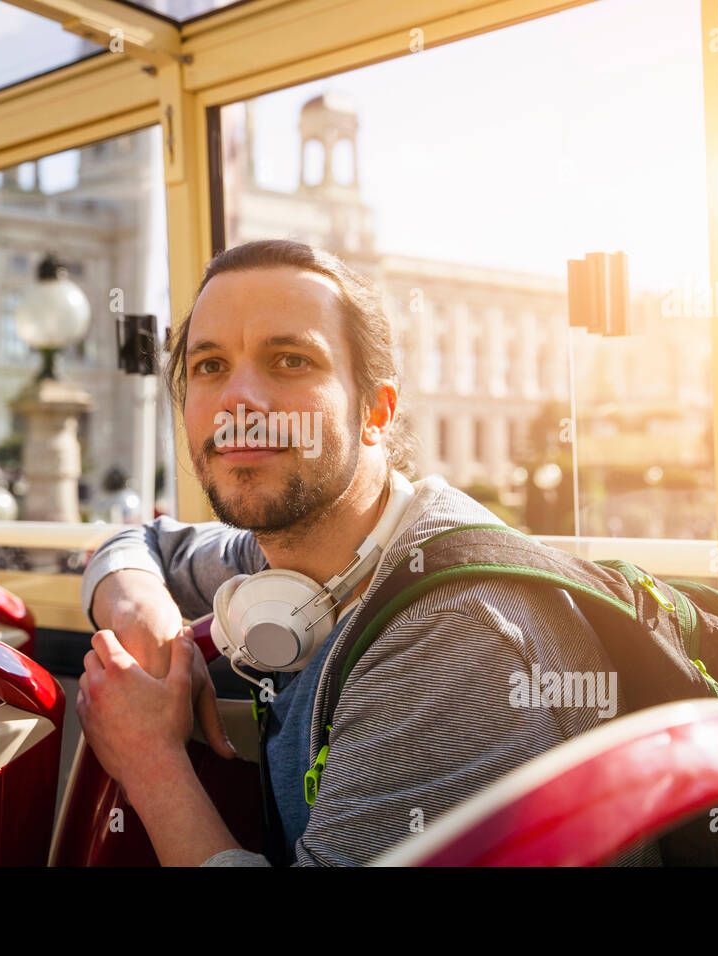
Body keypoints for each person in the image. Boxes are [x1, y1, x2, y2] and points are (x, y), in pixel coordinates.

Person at [76, 238, 655, 866]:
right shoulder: (290, 550)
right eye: (210, 366)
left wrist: (149, 761)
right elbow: (146, 541)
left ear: (375, 411)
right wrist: (140, 609)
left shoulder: (453, 633)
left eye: (290, 360)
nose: (238, 402)